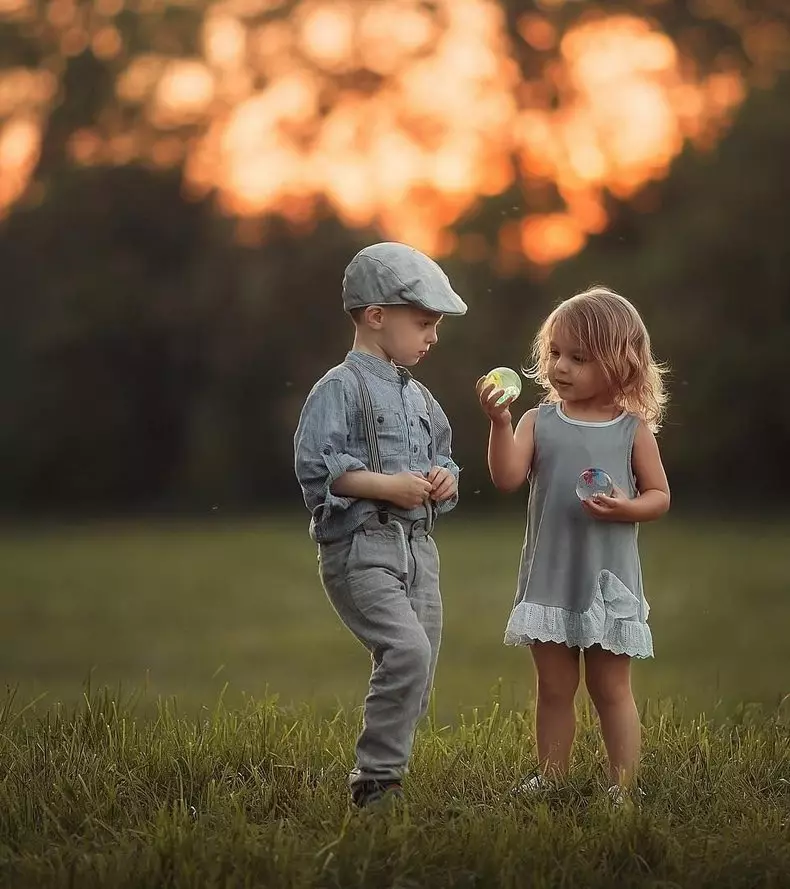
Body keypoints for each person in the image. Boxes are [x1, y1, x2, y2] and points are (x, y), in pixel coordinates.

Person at [476, 285, 670, 803]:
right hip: (552, 577)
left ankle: (622, 787)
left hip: (608, 583)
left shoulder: (633, 431)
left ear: (621, 365)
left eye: (579, 358)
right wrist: (499, 424)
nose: (561, 367)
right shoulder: (539, 422)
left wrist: (629, 507)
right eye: (555, 353)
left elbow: (659, 496)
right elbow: (506, 477)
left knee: (611, 689)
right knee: (555, 689)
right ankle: (551, 778)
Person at [294, 242, 467, 808]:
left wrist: (445, 478)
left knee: (421, 665)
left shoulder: (420, 397)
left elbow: (443, 454)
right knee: (407, 654)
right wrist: (386, 485)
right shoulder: (337, 389)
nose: (432, 337)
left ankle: (387, 768)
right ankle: (376, 782)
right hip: (361, 549)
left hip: (419, 548)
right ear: (376, 316)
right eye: (423, 323)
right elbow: (320, 469)